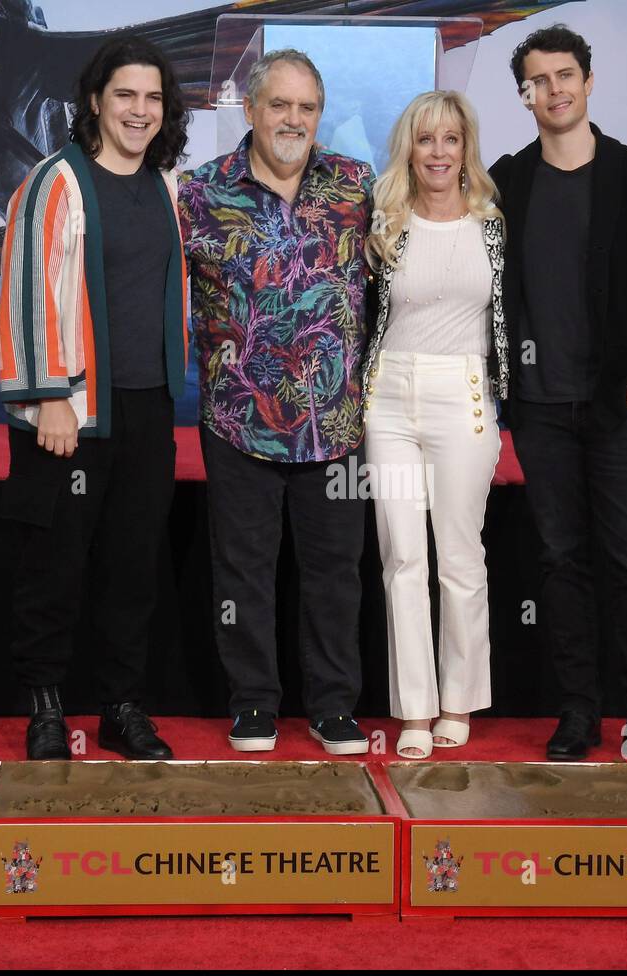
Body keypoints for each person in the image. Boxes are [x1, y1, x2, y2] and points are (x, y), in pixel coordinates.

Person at [487, 25, 627, 761]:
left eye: (565, 74)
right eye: (538, 80)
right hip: (540, 411)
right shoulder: (506, 181)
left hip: (622, 408)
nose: (554, 89)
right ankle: (578, 712)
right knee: (561, 562)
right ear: (523, 94)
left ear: (588, 80)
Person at [0, 36, 190, 761]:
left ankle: (120, 707)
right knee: (54, 564)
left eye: (152, 98)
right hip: (71, 410)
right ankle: (45, 708)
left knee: (132, 565)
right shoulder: (55, 182)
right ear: (94, 102)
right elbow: (25, 291)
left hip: (148, 407)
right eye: (125, 95)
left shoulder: (168, 184)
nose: (139, 111)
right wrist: (49, 397)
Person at [177, 49, 373, 754]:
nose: (293, 119)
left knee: (335, 574)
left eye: (307, 108)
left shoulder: (357, 185)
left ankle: (333, 706)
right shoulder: (199, 191)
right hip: (237, 418)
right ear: (252, 109)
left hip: (337, 422)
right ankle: (253, 703)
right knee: (243, 569)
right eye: (280, 105)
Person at [360, 91, 506, 759]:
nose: (439, 152)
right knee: (401, 557)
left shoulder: (494, 226)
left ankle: (458, 701)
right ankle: (414, 711)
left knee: (459, 558)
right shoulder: (385, 222)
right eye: (426, 141)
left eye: (451, 140)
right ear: (410, 150)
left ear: (466, 146)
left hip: (466, 398)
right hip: (389, 398)